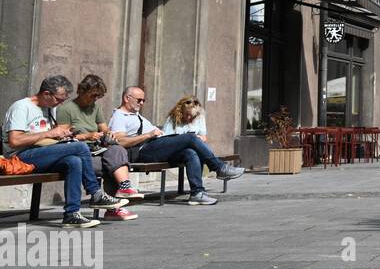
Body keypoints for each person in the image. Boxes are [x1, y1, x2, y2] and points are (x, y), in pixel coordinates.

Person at [4, 75, 128, 227]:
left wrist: (62, 136)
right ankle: (95, 193)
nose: (61, 103)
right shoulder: (22, 107)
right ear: (46, 94)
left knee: (74, 161)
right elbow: (15, 141)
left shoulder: (49, 109)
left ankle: (71, 214)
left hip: (43, 153)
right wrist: (49, 133)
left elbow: (47, 137)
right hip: (20, 157)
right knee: (80, 147)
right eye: (59, 99)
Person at [109, 87, 243, 206]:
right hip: (144, 150)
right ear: (127, 98)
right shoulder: (119, 116)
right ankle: (219, 167)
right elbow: (120, 142)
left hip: (157, 145)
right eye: (139, 100)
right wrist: (148, 135)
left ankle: (197, 193)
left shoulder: (135, 115)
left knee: (190, 153)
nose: (142, 103)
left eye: (144, 100)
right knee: (190, 138)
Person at [55, 74, 140, 221]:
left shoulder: (95, 108)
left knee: (118, 150)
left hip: (98, 148)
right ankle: (113, 208)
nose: (95, 99)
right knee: (110, 166)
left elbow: (104, 129)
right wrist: (87, 136)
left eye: (98, 97)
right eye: (93, 95)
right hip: (80, 152)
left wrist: (108, 135)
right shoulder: (67, 109)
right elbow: (61, 137)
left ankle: (124, 187)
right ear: (82, 91)